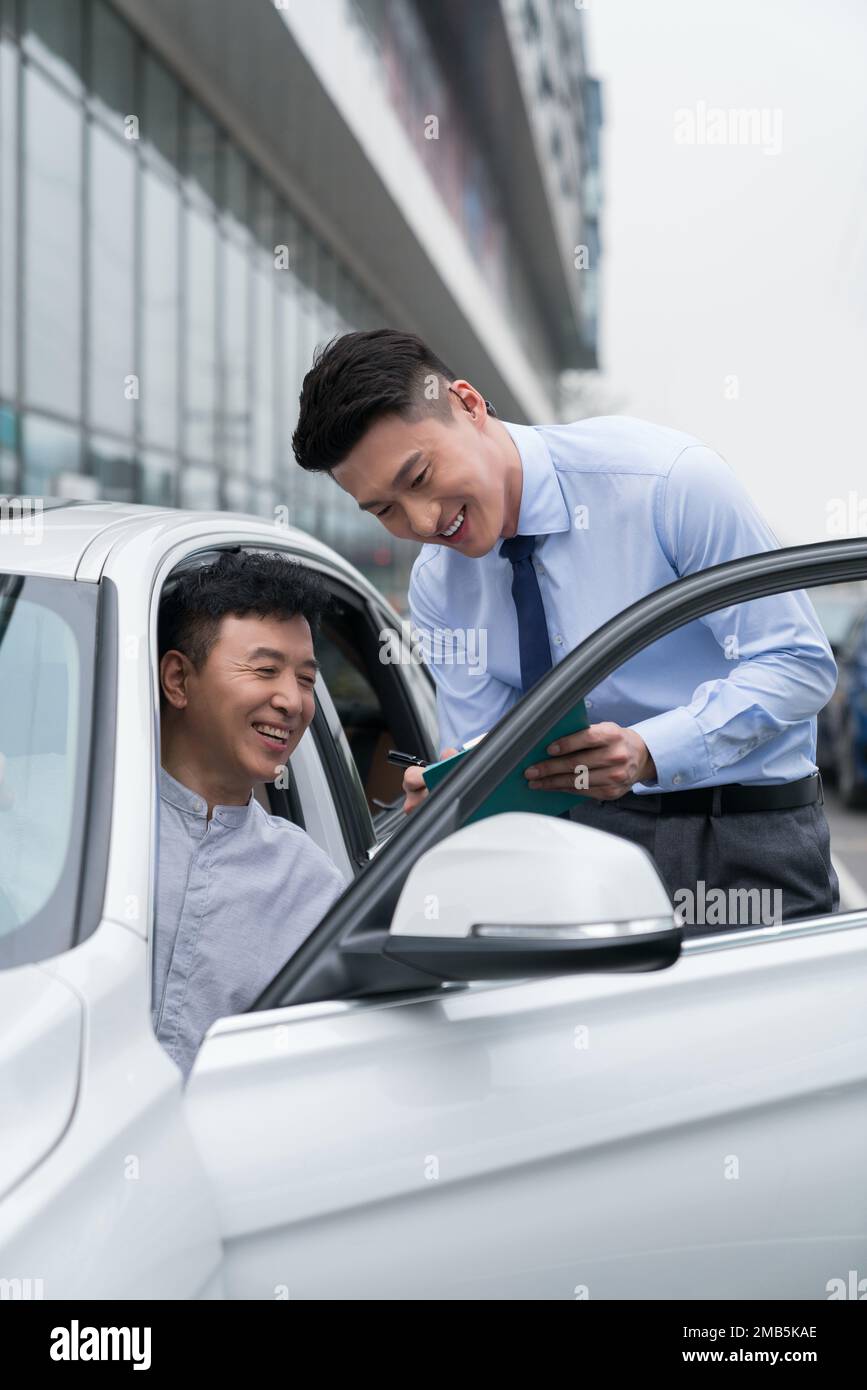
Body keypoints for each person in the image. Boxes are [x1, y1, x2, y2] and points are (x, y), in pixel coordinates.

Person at [291, 328, 840, 927]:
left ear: (469, 405)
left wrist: (651, 751)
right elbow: (485, 744)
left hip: (748, 840)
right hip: (576, 850)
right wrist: (457, 793)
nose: (423, 520)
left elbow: (798, 664)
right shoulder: (437, 584)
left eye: (419, 478)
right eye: (385, 511)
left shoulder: (668, 484)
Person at [154, 549, 347, 1080]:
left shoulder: (311, 885)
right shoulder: (57, 822)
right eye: (265, 670)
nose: (292, 701)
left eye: (306, 679)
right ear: (178, 679)